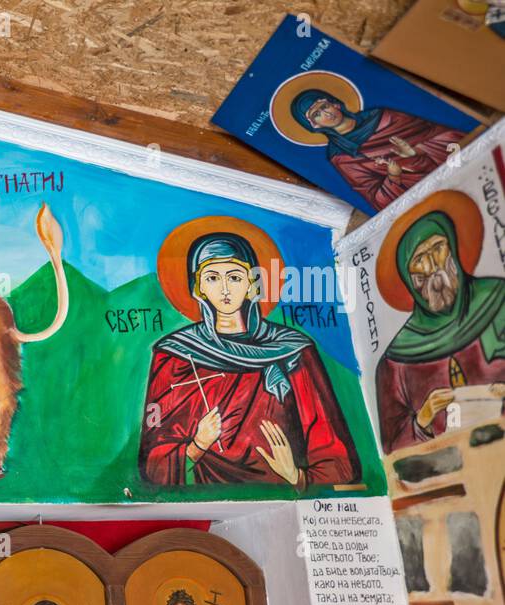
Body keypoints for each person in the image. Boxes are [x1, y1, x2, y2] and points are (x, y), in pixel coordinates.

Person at [139, 231, 359, 488]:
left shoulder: (292, 350)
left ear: (252, 283)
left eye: (234, 277)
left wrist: (296, 475)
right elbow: (152, 465)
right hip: (208, 490)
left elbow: (336, 457)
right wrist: (197, 446)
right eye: (211, 278)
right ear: (198, 288)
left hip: (279, 488)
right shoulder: (176, 354)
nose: (224, 289)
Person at [375, 210, 505, 451]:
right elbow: (392, 449)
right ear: (409, 277)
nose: (433, 266)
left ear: (453, 249)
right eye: (419, 259)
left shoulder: (498, 299)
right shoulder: (397, 359)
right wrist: (423, 419)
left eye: (438, 248)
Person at [290, 90, 464, 212]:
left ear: (335, 103)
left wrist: (416, 152)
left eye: (324, 106)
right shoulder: (342, 157)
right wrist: (393, 176)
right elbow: (378, 202)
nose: (326, 114)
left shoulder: (385, 117)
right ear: (314, 125)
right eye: (316, 114)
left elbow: (448, 137)